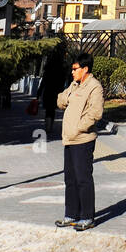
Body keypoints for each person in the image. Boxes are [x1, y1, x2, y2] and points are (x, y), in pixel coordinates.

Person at [55, 51, 104, 232]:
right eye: (72, 69)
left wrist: (80, 128)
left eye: (75, 69)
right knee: (70, 178)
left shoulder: (94, 87)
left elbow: (96, 113)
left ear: (85, 69)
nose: (72, 72)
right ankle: (71, 214)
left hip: (82, 139)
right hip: (69, 139)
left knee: (83, 178)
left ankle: (87, 216)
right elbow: (60, 101)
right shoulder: (74, 85)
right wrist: (70, 92)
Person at [38, 41, 67, 136]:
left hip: (48, 90)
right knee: (52, 110)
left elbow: (44, 81)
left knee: (48, 109)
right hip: (57, 91)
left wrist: (39, 93)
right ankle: (50, 126)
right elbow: (64, 80)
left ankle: (47, 125)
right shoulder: (62, 68)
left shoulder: (48, 68)